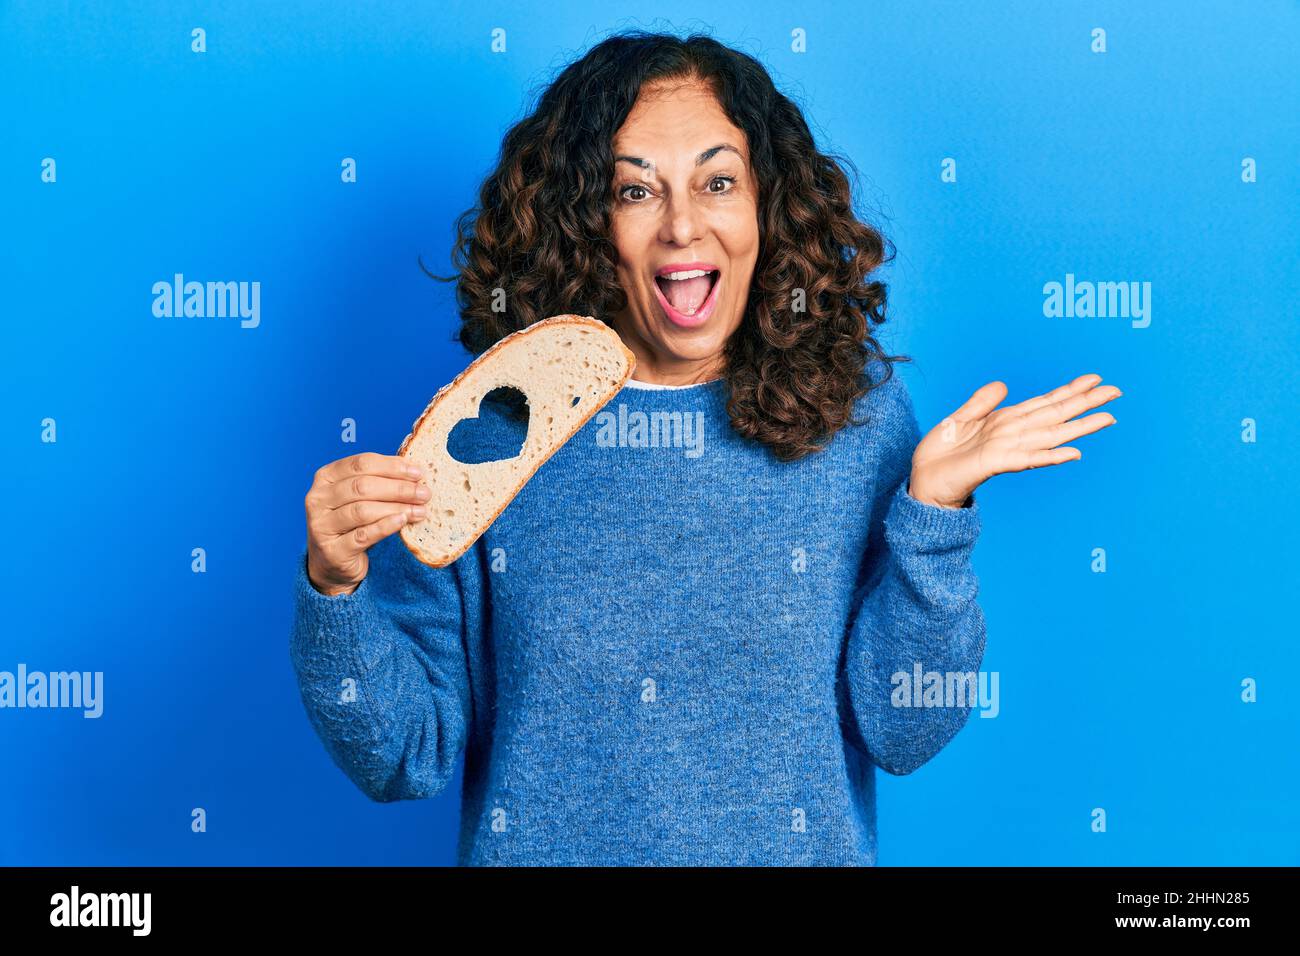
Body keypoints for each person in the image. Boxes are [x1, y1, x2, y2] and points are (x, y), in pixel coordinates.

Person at [290, 31, 1120, 865]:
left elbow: (904, 731)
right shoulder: (494, 433)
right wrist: (334, 587)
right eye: (636, 191)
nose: (684, 225)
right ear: (587, 221)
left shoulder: (853, 417)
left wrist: (933, 518)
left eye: (717, 182)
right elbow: (403, 753)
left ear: (767, 206)